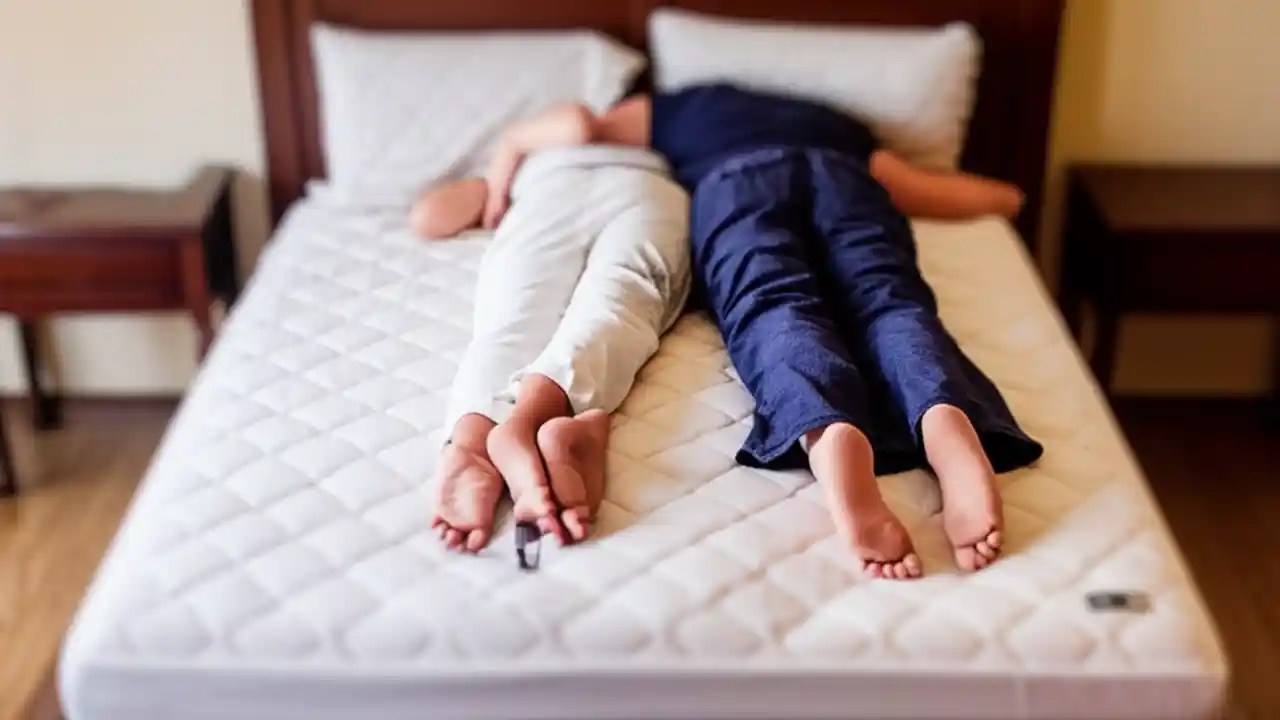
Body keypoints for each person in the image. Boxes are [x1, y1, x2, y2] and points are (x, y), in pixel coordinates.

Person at [545, 83, 1043, 579]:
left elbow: (578, 126)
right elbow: (958, 195)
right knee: (889, 302)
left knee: (773, 303)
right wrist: (1011, 197)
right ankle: (941, 414)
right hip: (845, 179)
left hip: (734, 182)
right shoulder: (840, 123)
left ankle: (827, 428)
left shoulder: (682, 107)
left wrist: (507, 154)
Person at [415, 105, 690, 554]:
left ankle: (479, 442)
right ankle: (510, 433)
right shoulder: (515, 168)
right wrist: (491, 184)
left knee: (516, 319)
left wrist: (511, 145)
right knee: (618, 306)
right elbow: (426, 220)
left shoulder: (549, 135)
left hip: (631, 187)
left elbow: (579, 125)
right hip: (584, 191)